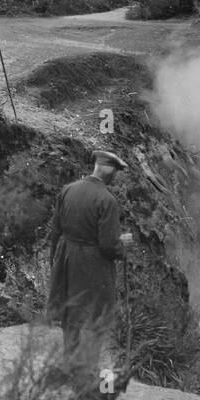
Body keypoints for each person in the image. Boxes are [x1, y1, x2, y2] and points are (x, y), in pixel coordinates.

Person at [46, 149, 133, 378]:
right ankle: (87, 372)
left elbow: (55, 230)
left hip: (66, 258)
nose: (116, 176)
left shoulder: (68, 190)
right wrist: (122, 245)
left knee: (70, 314)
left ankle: (70, 366)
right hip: (93, 264)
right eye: (116, 172)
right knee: (96, 316)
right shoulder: (107, 200)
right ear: (110, 172)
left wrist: (54, 259)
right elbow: (107, 245)